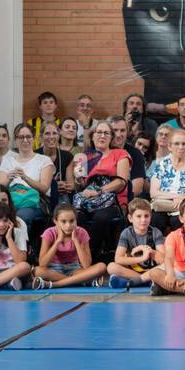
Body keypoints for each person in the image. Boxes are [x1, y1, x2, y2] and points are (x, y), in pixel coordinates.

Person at [71, 121, 131, 260]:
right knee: (77, 217)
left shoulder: (120, 153)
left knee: (101, 217)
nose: (102, 135)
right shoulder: (86, 156)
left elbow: (121, 182)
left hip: (113, 200)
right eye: (99, 132)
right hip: (89, 199)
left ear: (111, 137)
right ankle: (81, 252)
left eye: (106, 133)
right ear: (93, 136)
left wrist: (99, 191)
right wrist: (78, 178)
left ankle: (92, 253)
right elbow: (81, 185)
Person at [0, 122, 55, 245]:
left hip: (35, 201)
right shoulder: (8, 160)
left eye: (28, 137)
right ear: (15, 140)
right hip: (11, 199)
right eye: (21, 137)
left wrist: (25, 178)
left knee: (22, 216)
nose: (25, 140)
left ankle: (21, 250)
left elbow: (44, 188)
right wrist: (8, 178)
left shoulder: (44, 160)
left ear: (33, 138)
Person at [146, 127, 185, 234]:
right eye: (176, 144)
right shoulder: (162, 165)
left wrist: (184, 198)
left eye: (184, 144)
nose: (180, 147)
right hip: (163, 205)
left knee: (180, 220)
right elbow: (154, 192)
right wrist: (176, 196)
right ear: (170, 146)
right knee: (156, 219)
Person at [34, 203, 108, 289]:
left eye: (72, 221)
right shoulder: (49, 233)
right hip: (54, 269)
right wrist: (58, 241)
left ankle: (55, 284)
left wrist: (76, 240)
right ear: (55, 221)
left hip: (74, 268)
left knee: (101, 267)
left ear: (76, 220)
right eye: (63, 221)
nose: (68, 225)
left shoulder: (82, 232)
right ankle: (81, 281)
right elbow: (42, 263)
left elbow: (86, 265)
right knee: (37, 271)